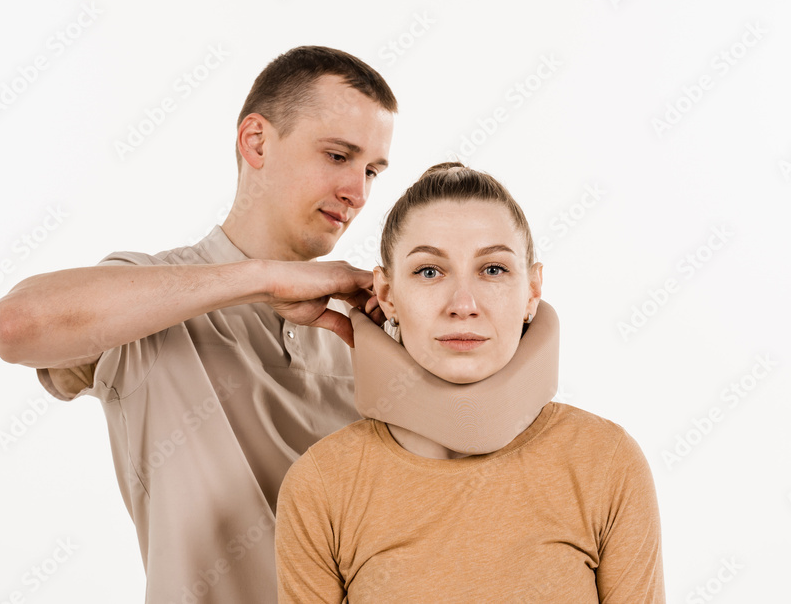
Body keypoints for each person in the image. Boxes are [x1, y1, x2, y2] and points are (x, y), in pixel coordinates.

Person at [0, 46, 400, 604]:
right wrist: (265, 280)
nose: (358, 192)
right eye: (337, 156)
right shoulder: (148, 303)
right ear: (256, 142)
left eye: (372, 171)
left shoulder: (369, 331)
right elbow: (17, 325)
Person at [275, 162, 666, 603]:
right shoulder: (323, 485)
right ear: (387, 295)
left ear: (532, 291)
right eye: (429, 271)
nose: (463, 305)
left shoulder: (605, 462)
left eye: (493, 270)